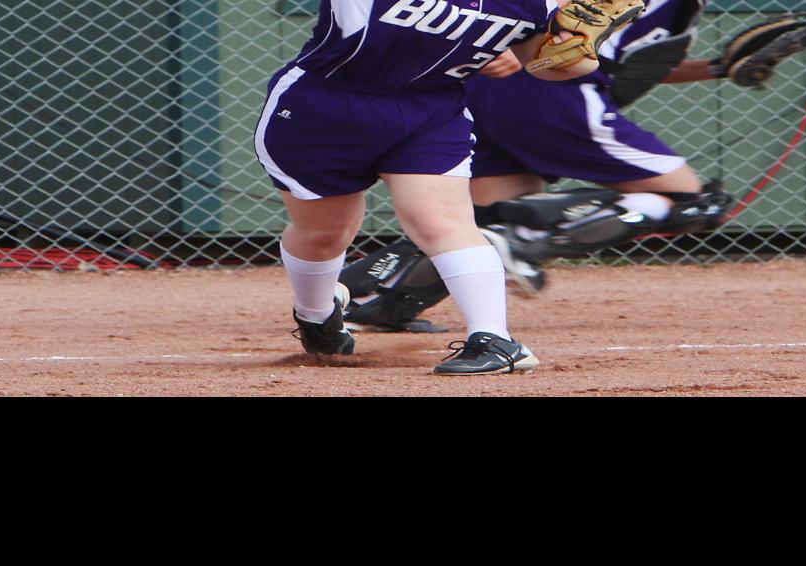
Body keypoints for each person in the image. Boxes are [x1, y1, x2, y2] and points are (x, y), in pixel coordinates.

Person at [339, 1, 806, 332]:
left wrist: (718, 67)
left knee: (484, 218)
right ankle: (527, 240)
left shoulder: (679, 10)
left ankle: (381, 302)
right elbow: (552, 32)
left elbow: (627, 64)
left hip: (494, 94)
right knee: (693, 201)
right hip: (550, 92)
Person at [255, 0, 647, 375]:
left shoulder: (533, 3)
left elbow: (545, 66)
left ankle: (495, 340)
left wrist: (579, 46)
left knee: (441, 223)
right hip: (324, 108)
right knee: (325, 233)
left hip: (430, 110)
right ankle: (317, 314)